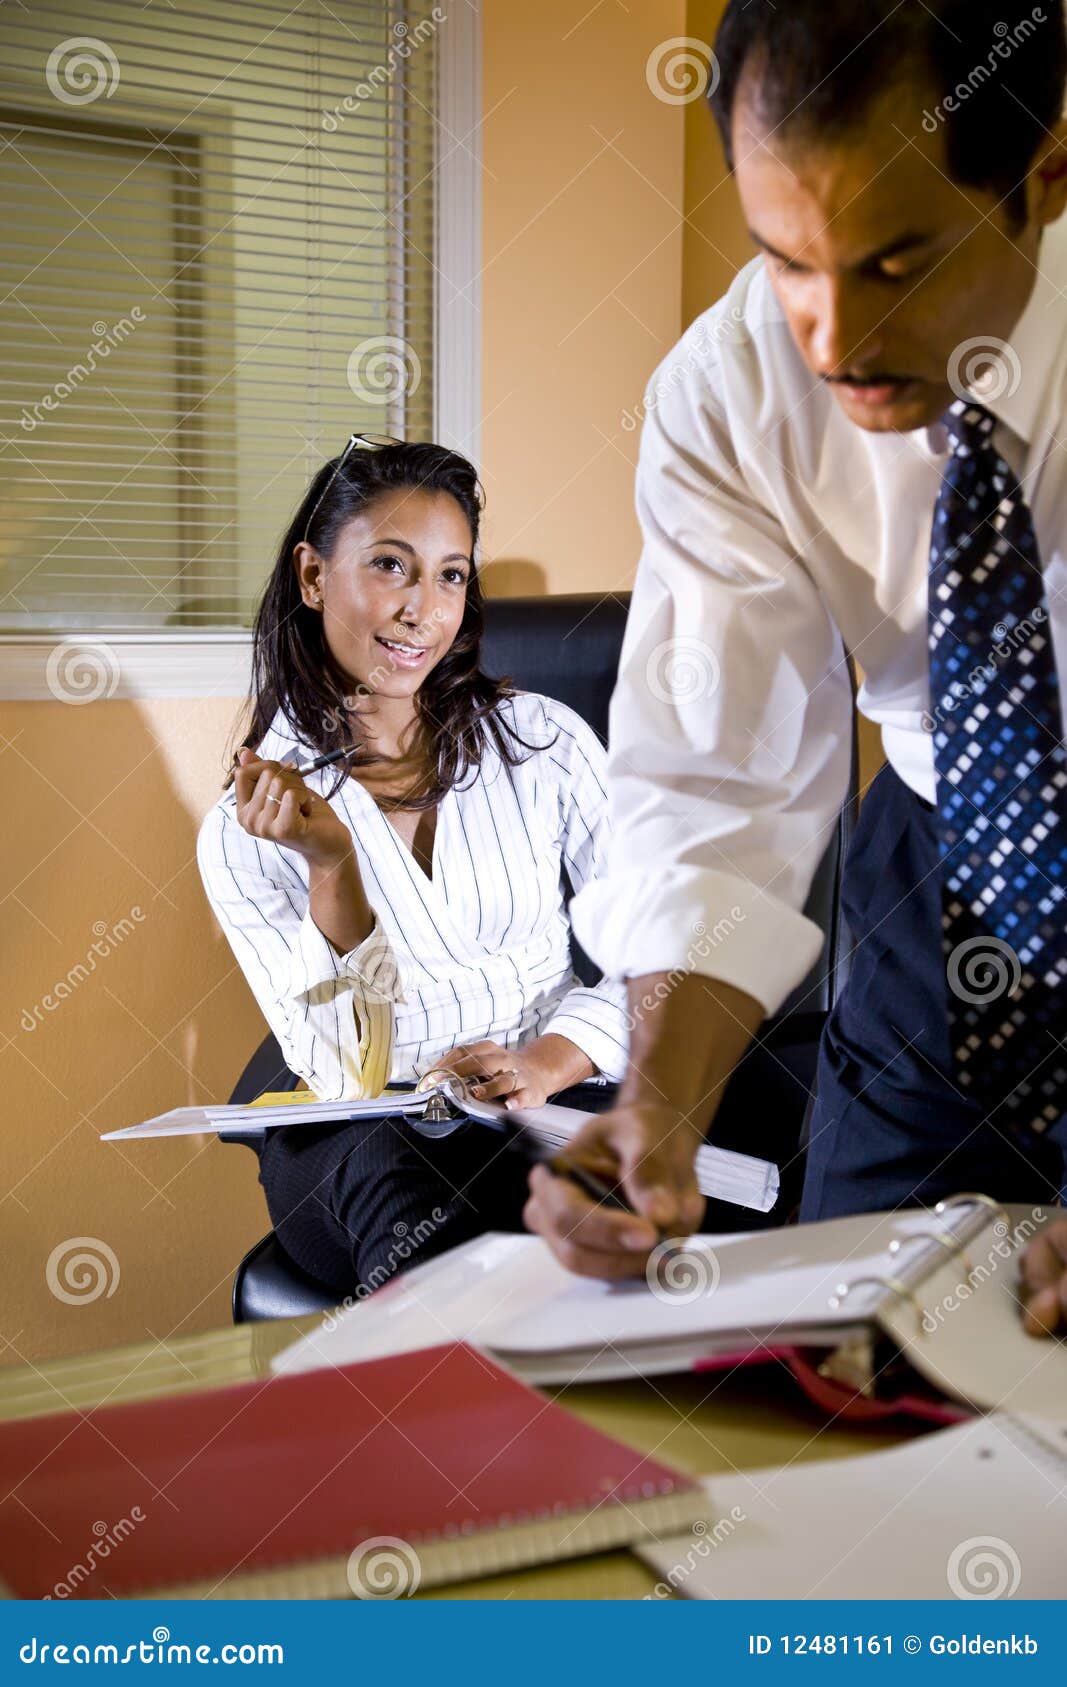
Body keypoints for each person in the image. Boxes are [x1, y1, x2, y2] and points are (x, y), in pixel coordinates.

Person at [524, 0, 1067, 1338]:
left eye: (894, 262)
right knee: (848, 1359)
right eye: (785, 261)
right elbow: (721, 781)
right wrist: (651, 1104)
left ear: (1043, 176)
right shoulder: (726, 392)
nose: (828, 338)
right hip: (935, 862)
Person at [196, 435, 633, 1297]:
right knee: (404, 1192)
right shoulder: (245, 830)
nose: (421, 610)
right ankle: (440, 1423)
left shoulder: (541, 743)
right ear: (313, 577)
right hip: (365, 1134)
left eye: (450, 576)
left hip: (547, 1099)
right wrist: (332, 869)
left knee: (720, 1141)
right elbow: (336, 1070)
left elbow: (665, 946)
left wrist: (548, 1059)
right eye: (391, 566)